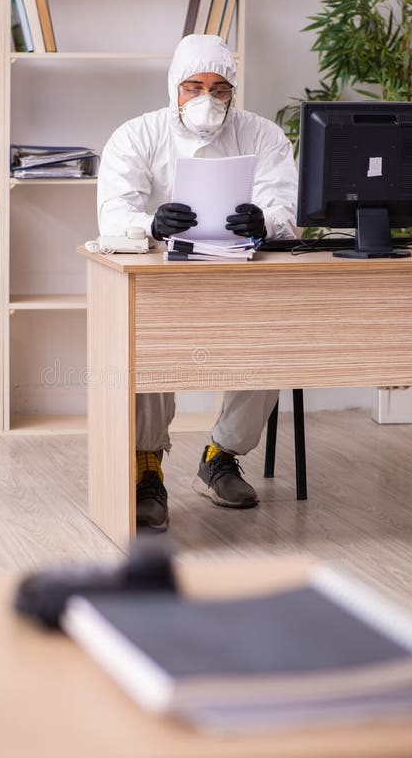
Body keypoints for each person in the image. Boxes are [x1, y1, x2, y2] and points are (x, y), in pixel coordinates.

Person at [97, 34, 298, 532]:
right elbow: (112, 212)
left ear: (233, 90)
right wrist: (150, 224)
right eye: (193, 87)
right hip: (162, 281)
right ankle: (148, 467)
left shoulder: (263, 135)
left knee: (269, 342)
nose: (207, 99)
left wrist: (265, 222)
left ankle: (220, 456)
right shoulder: (137, 135)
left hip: (242, 277)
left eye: (219, 88)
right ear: (174, 88)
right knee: (142, 347)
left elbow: (285, 211)